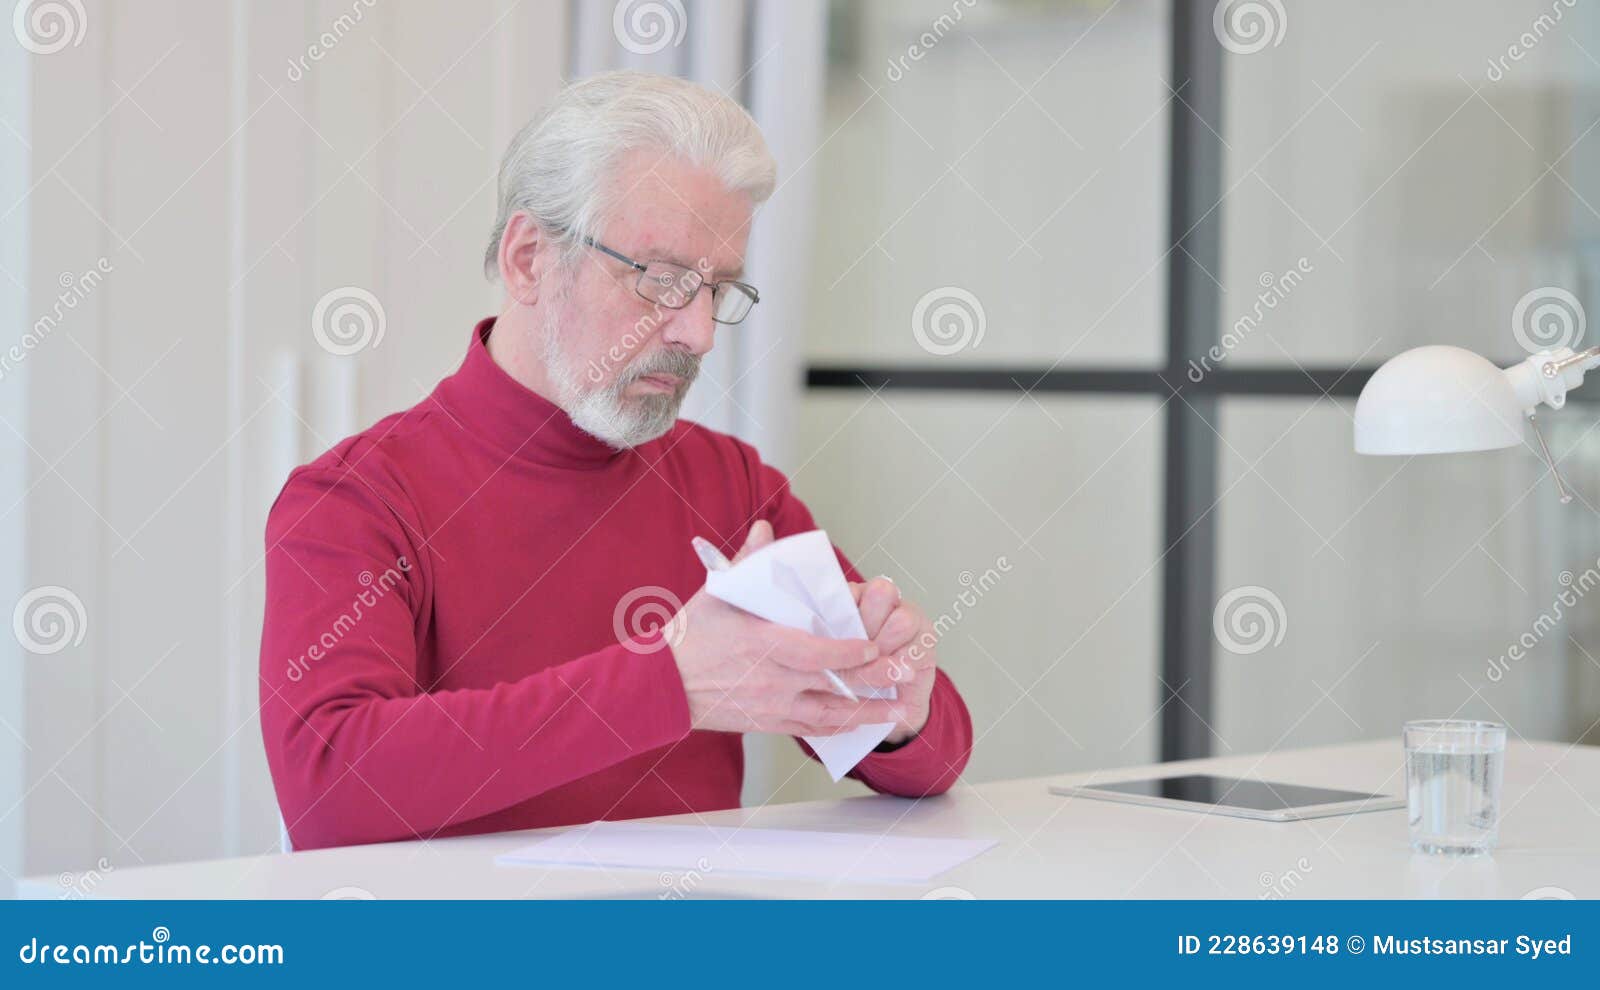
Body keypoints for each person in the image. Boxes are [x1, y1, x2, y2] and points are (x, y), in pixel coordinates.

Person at [259, 71, 973, 850]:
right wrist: (670, 683)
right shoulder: (357, 498)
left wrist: (903, 709)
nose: (698, 333)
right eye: (661, 281)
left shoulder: (732, 486)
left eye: (718, 289)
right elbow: (330, 792)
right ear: (529, 260)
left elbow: (931, 760)